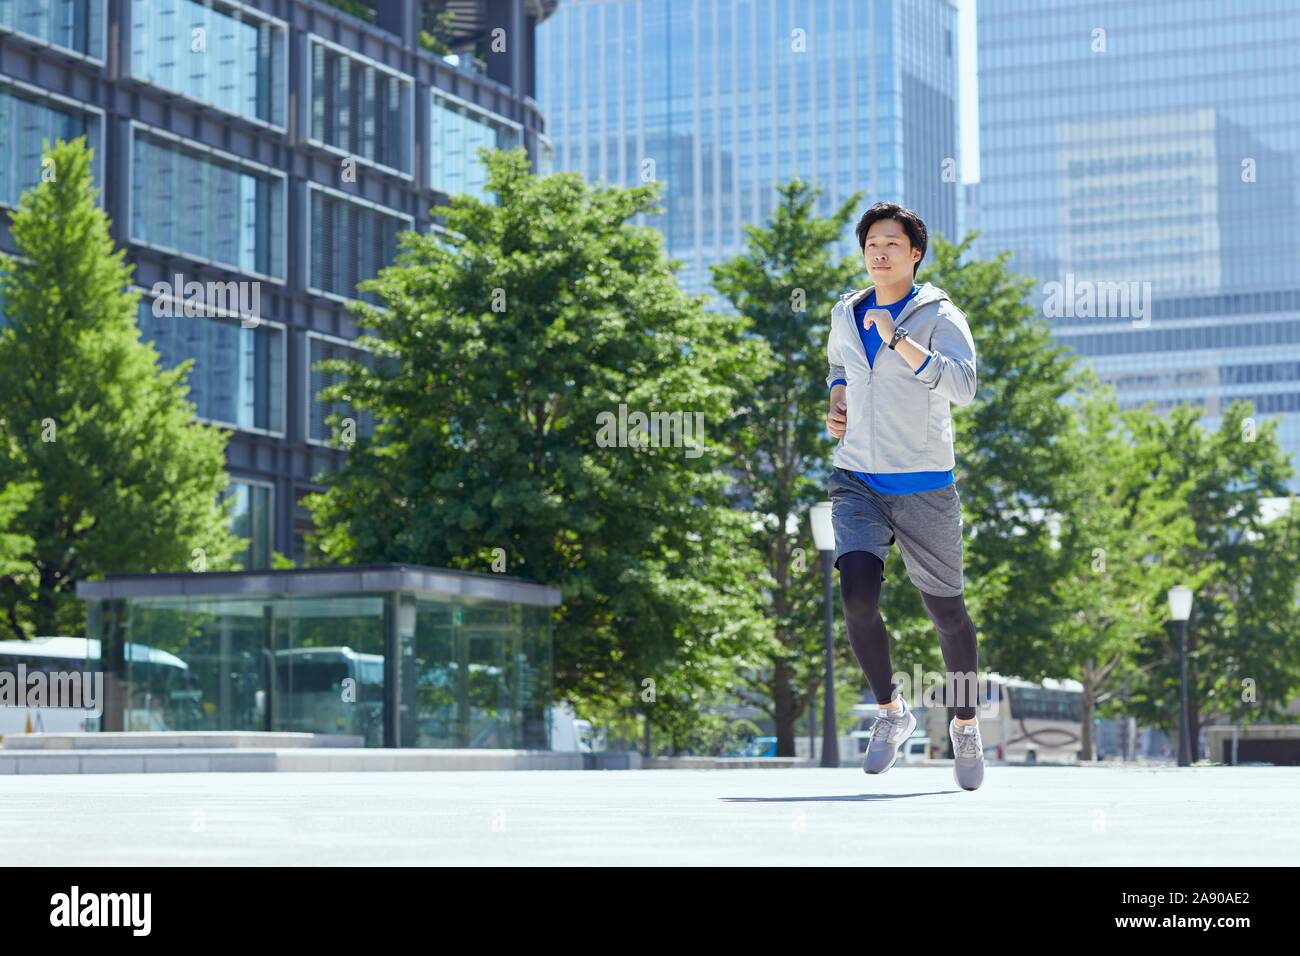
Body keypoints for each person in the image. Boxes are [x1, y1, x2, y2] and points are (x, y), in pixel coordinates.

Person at [824, 201, 984, 791]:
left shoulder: (940, 315)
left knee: (947, 612)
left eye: (892, 244)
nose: (879, 253)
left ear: (914, 254)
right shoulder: (848, 312)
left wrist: (902, 344)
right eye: (871, 245)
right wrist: (837, 401)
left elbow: (965, 387)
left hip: (924, 487)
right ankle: (892, 713)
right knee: (857, 598)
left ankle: (965, 724)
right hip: (857, 480)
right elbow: (839, 364)